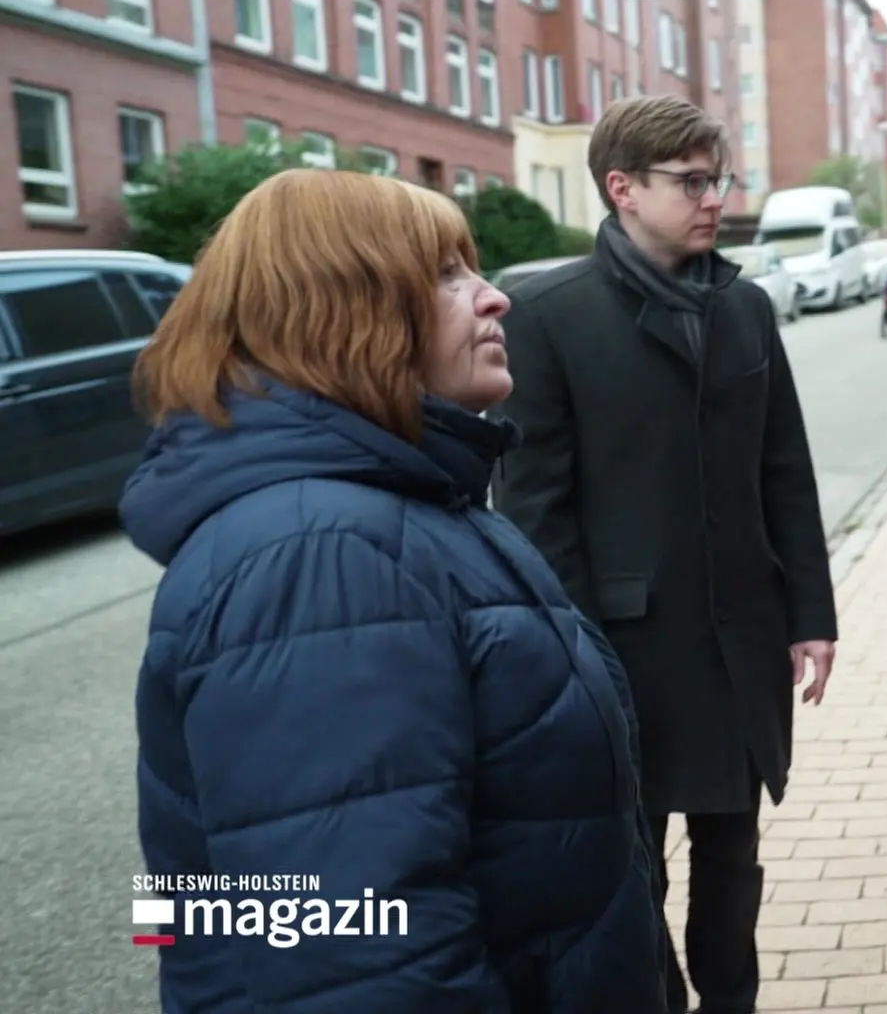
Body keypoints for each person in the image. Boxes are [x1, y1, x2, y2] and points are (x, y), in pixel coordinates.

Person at [121, 169, 670, 1013]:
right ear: (342, 311)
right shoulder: (319, 554)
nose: (494, 299)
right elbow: (354, 961)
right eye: (446, 275)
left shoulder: (406, 507)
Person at [491, 95, 838, 1014]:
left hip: (740, 648)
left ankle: (731, 999)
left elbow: (784, 472)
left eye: (716, 179)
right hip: (622, 657)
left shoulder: (745, 309)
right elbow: (534, 513)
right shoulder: (548, 315)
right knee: (630, 869)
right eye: (690, 182)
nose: (713, 199)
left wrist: (810, 616)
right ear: (622, 189)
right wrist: (573, 659)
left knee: (733, 861)